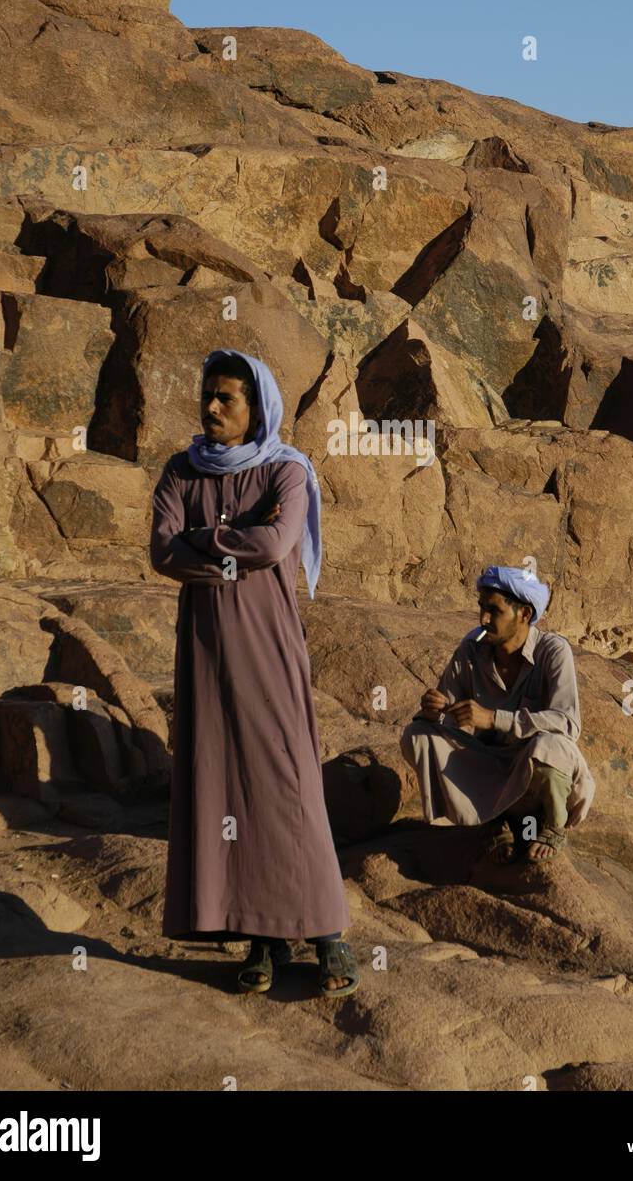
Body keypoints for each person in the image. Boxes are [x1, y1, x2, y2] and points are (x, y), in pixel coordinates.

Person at [149, 348, 359, 996]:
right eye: (208, 395)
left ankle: (326, 937)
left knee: (286, 784)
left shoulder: (286, 471)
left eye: (227, 399)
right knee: (225, 791)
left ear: (257, 407)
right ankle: (261, 939)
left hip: (266, 646)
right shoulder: (181, 469)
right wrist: (234, 537)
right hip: (207, 652)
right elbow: (161, 552)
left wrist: (202, 541)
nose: (211, 408)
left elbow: (275, 546)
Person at [400, 565, 595, 864]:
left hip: (534, 771)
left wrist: (494, 718)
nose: (483, 619)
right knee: (418, 736)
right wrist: (433, 712)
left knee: (549, 747)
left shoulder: (553, 652)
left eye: (494, 611)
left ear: (525, 614)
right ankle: (493, 821)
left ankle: (553, 827)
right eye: (481, 608)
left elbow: (567, 724)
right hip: (490, 771)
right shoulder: (470, 650)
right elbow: (450, 714)